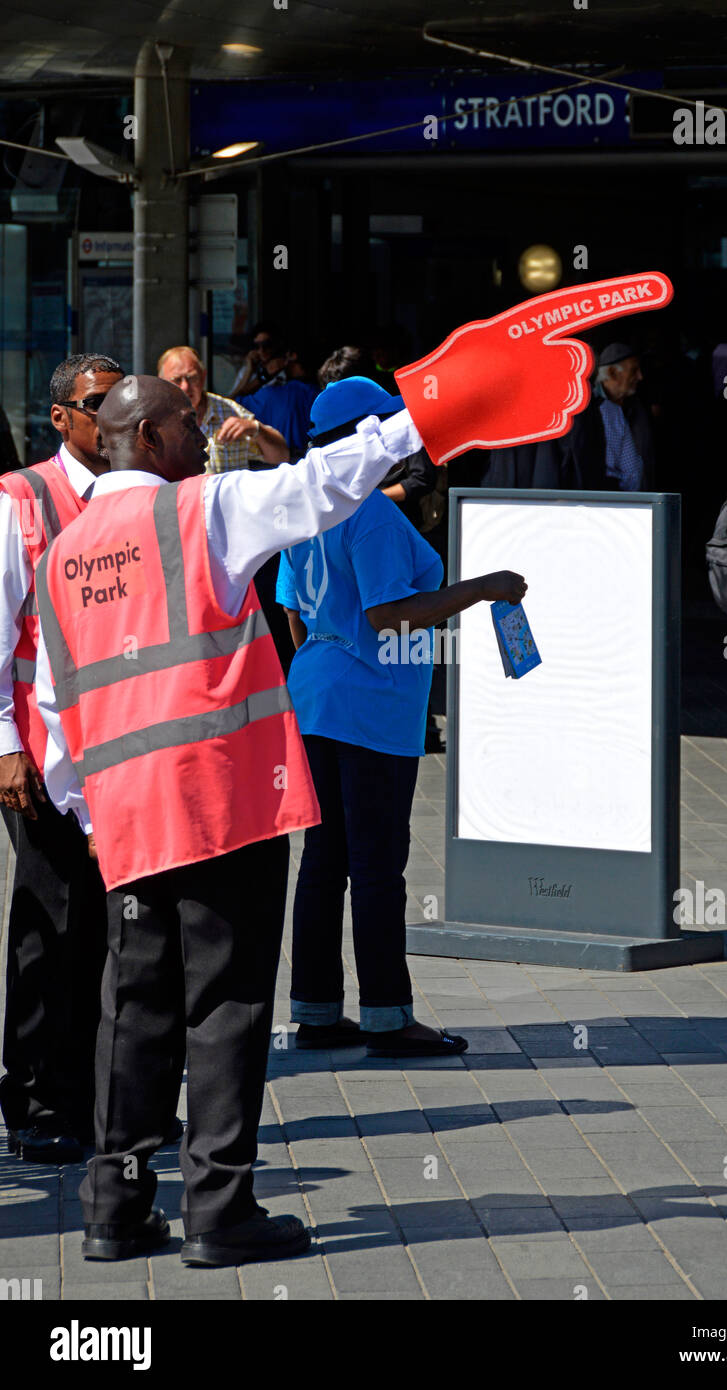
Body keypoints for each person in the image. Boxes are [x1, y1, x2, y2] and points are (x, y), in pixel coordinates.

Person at [33, 373, 427, 1266]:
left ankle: (115, 1206)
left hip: (125, 818)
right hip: (219, 803)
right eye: (195, 423)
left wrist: (89, 809)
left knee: (132, 1010)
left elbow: (57, 704)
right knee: (226, 1004)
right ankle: (219, 1209)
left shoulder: (70, 549)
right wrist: (424, 415)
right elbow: (325, 484)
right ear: (162, 435)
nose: (207, 435)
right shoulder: (201, 511)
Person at [277, 376, 527, 1057]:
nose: (401, 441)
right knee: (379, 862)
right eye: (390, 430)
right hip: (372, 705)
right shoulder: (372, 514)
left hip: (317, 695)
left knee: (324, 861)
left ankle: (317, 1014)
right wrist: (483, 589)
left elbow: (294, 609)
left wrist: (326, 664)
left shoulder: (309, 507)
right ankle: (389, 1016)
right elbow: (388, 614)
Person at [0, 353, 123, 1163]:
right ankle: (37, 1100)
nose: (112, 416)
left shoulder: (140, 492)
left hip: (121, 748)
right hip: (41, 753)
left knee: (114, 930)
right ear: (61, 418)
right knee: (51, 923)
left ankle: (96, 1097)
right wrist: (5, 747)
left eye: (121, 400)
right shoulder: (22, 499)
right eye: (97, 403)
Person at [316, 346, 437, 530]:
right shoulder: (328, 436)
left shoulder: (401, 421)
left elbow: (422, 479)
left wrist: (369, 501)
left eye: (340, 395)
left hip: (400, 522)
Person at [157, 345, 289, 472]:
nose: (185, 386)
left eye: (192, 378)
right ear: (162, 383)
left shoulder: (230, 411)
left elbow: (281, 456)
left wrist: (256, 429)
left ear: (203, 377)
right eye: (177, 380)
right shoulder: (155, 420)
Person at [594, 342, 649, 491]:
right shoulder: (595, 409)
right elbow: (632, 473)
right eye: (633, 371)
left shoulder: (637, 406)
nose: (640, 376)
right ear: (612, 372)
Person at [230, 321, 309, 397]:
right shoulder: (249, 370)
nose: (261, 350)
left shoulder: (286, 369)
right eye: (257, 346)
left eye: (267, 345)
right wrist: (249, 370)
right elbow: (233, 398)